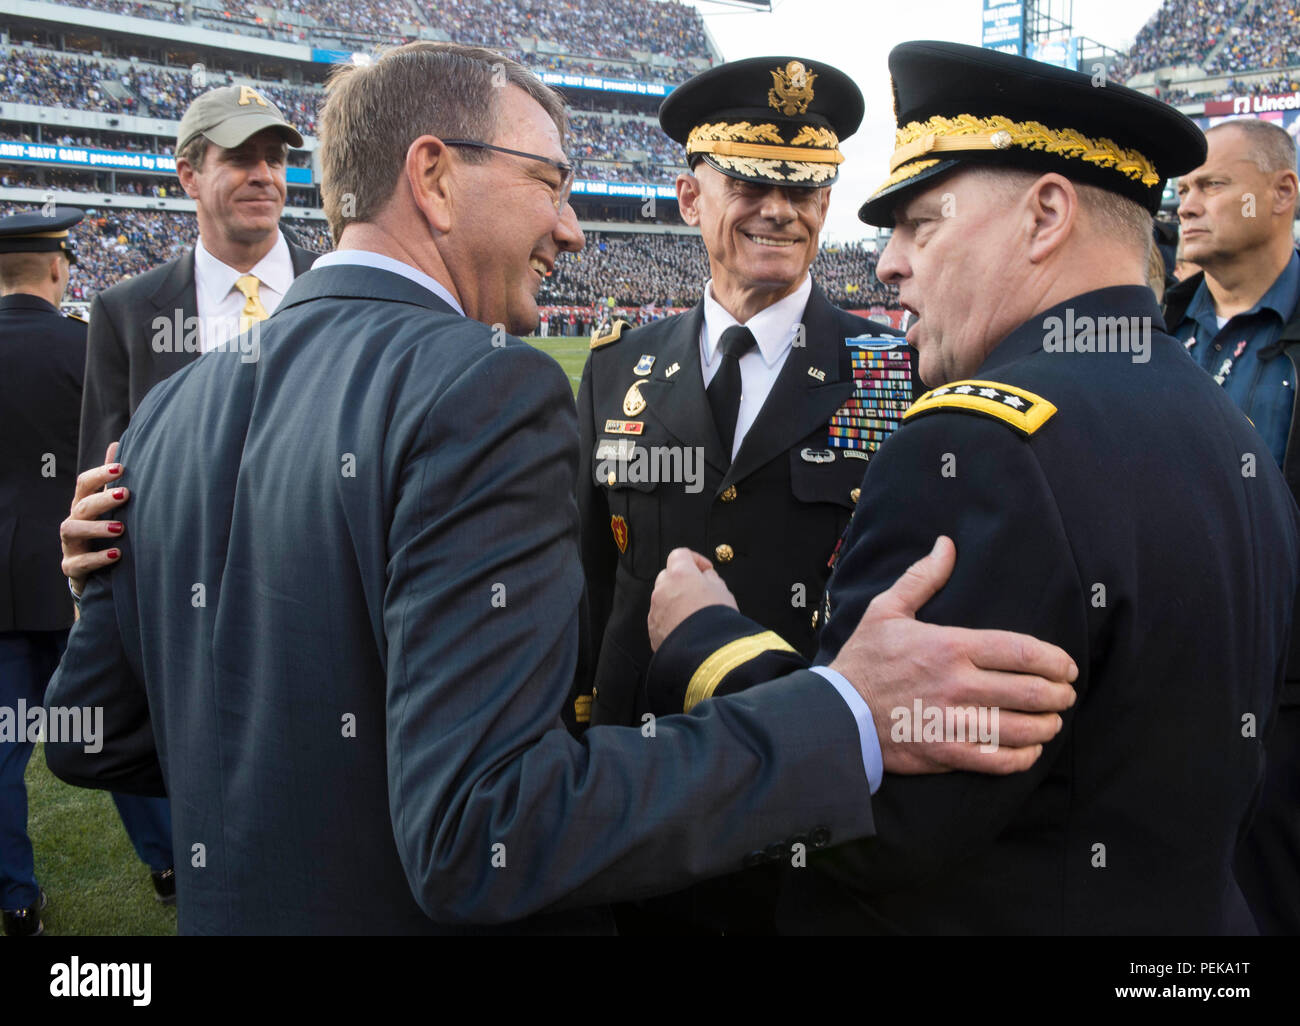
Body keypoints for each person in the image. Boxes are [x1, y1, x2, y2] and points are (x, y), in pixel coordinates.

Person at [43, 42, 1075, 935]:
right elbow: (479, 829)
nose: (574, 229)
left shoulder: (169, 416)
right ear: (435, 178)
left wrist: (117, 593)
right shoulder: (486, 385)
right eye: (551, 183)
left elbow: (99, 733)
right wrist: (840, 714)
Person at [643, 40, 1300, 934]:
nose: (888, 264)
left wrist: (705, 643)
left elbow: (878, 821)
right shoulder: (1227, 427)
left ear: (1046, 215)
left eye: (922, 223)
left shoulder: (984, 442)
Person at [573, 55, 911, 934]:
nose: (780, 209)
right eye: (753, 182)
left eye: (804, 189)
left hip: (803, 791)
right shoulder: (618, 366)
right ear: (691, 199)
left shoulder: (888, 370)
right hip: (639, 785)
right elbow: (592, 582)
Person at [1164, 117, 1300, 935]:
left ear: (1282, 193)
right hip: (1163, 691)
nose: (1190, 205)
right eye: (1183, 190)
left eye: (1211, 184)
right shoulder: (1146, 333)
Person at [77, 84, 319, 476]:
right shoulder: (124, 311)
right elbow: (101, 478)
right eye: (240, 159)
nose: (263, 176)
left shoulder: (338, 284)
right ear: (189, 177)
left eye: (274, 160)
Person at [0, 207, 86, 937]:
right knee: (116, 723)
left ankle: (16, 900)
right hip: (76, 571)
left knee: (0, 755)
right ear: (57, 267)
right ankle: (168, 862)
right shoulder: (85, 349)